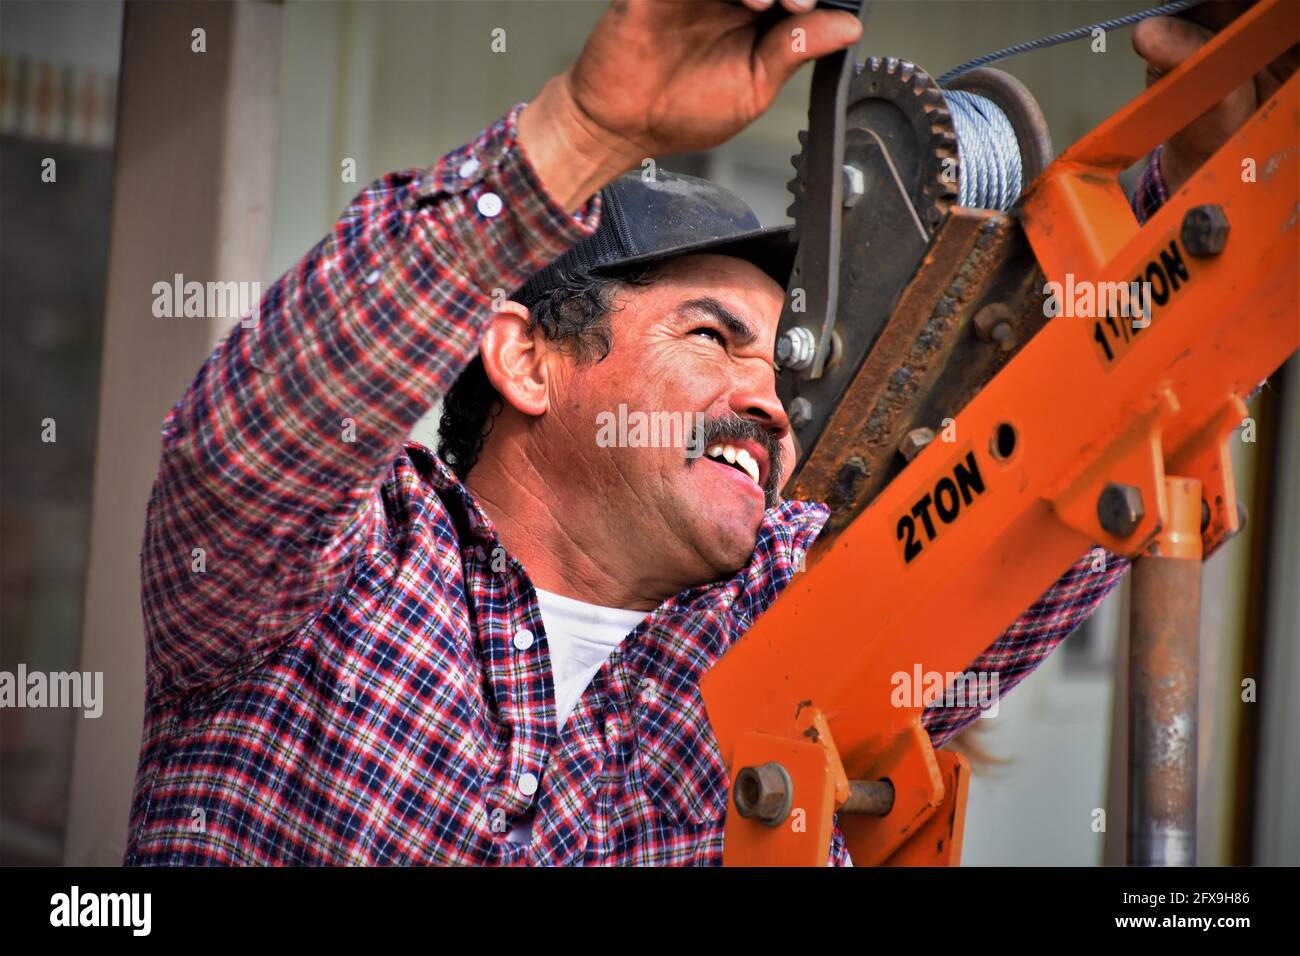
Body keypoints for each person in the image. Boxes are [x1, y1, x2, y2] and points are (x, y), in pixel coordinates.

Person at [125, 0, 1277, 865]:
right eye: (712, 336)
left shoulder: (800, 612)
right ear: (525, 356)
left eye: (777, 359)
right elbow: (263, 425)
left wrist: (1212, 179)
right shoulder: (328, 572)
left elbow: (1068, 450)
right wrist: (582, 130)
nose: (770, 397)